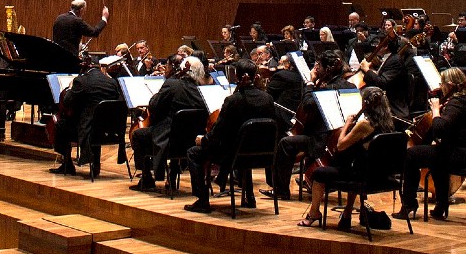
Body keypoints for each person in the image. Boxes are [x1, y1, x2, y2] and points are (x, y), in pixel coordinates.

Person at [184, 59, 275, 213]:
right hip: (262, 155)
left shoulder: (233, 101)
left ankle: (203, 200)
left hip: (234, 156)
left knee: (193, 153)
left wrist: (203, 140)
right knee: (243, 143)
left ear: (237, 76)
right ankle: (249, 197)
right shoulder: (268, 99)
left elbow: (219, 132)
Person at [298, 86, 395, 230]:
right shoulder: (388, 124)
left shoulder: (364, 124)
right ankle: (347, 214)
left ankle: (314, 213)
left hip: (364, 178)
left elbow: (340, 145)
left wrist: (347, 125)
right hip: (381, 176)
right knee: (354, 166)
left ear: (366, 104)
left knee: (319, 173)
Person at [395, 67, 466, 221]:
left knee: (411, 154)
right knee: (436, 155)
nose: (441, 87)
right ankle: (441, 204)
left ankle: (409, 204)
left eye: (442, 84)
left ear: (449, 84)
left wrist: (435, 111)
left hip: (463, 154)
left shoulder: (457, 102)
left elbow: (439, 129)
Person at [265, 50, 353, 201]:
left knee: (285, 143)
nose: (316, 69)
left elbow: (307, 105)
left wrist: (310, 83)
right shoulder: (349, 86)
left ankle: (281, 190)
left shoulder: (327, 88)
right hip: (337, 137)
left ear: (328, 69)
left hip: (322, 140)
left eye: (319, 66)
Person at [131, 56, 207, 191]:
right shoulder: (202, 91)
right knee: (177, 129)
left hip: (168, 141)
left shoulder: (172, 84)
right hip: (191, 142)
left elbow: (154, 106)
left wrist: (155, 95)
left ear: (183, 68)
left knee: (137, 134)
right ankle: (172, 177)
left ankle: (147, 178)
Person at [50, 55, 124, 177]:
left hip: (88, 130)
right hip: (109, 130)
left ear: (86, 66)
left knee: (59, 123)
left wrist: (69, 88)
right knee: (97, 119)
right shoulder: (112, 82)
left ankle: (67, 164)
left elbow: (68, 101)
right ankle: (96, 165)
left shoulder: (81, 81)